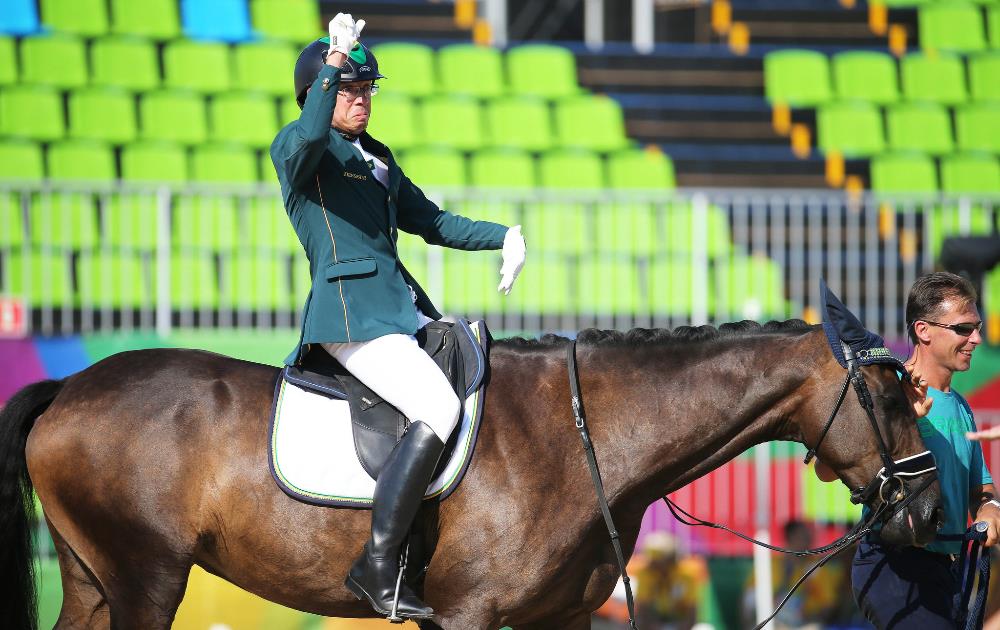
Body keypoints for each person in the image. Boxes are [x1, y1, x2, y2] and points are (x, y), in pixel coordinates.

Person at [269, 13, 526, 621]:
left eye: (367, 90)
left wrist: (502, 235)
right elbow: (307, 139)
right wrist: (333, 62)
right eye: (350, 91)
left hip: (398, 311)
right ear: (319, 93)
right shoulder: (301, 148)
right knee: (437, 407)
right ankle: (377, 565)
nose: (361, 100)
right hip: (351, 318)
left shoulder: (376, 159)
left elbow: (432, 221)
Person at [850, 271, 1000, 629]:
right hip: (893, 566)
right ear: (924, 330)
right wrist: (900, 419)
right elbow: (827, 471)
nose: (976, 338)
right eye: (963, 328)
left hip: (945, 570)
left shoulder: (962, 407)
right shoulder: (889, 394)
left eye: (977, 327)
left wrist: (991, 510)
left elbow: (981, 490)